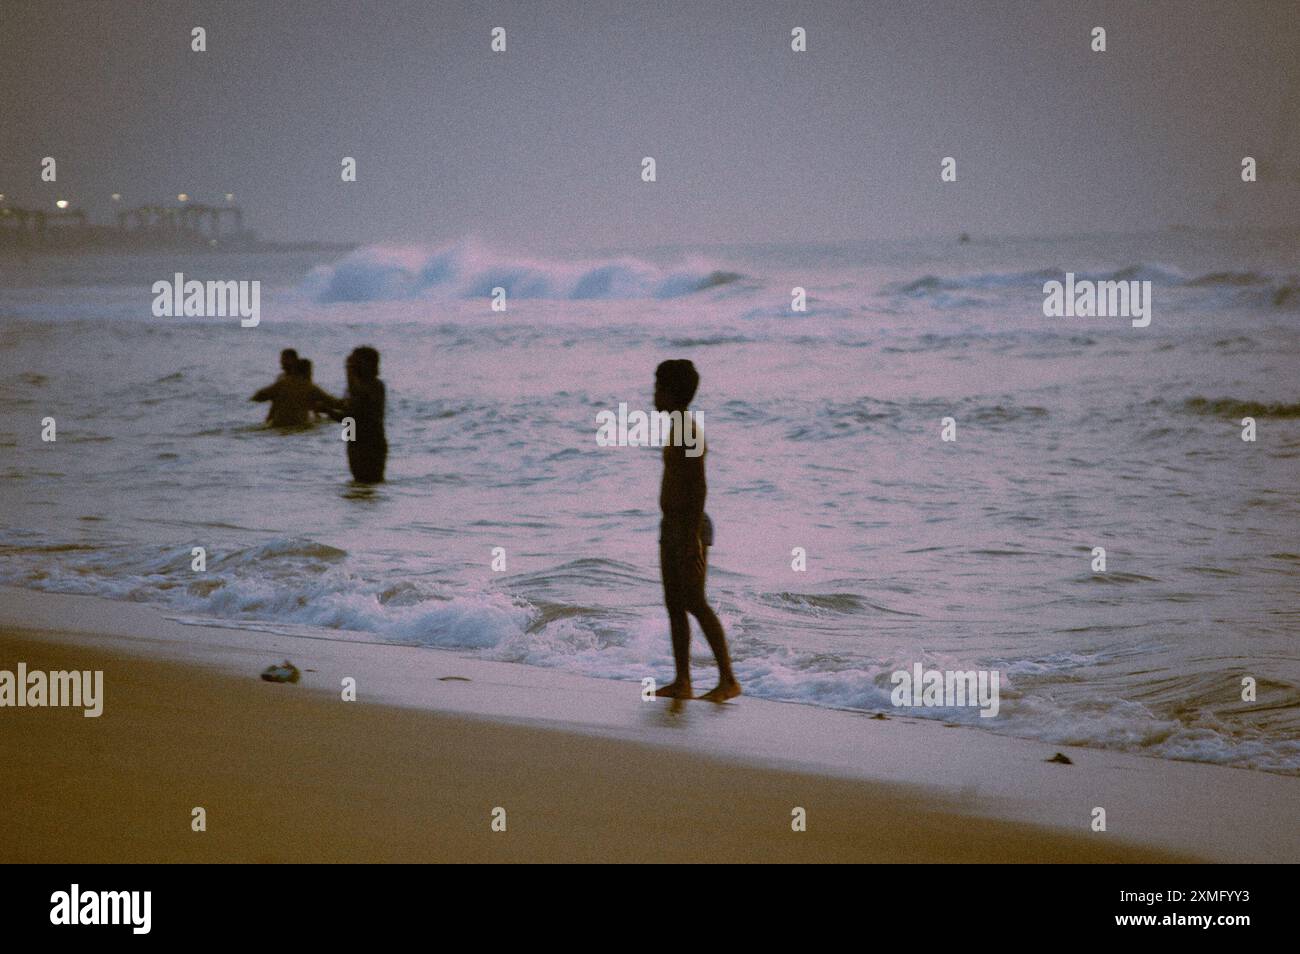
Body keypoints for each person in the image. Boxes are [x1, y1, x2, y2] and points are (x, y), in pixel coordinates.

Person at [652, 359, 740, 702]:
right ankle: (682, 681)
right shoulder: (677, 426)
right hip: (671, 525)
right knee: (674, 603)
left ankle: (728, 680)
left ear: (673, 393)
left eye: (658, 387)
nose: (654, 394)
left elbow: (699, 486)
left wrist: (692, 540)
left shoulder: (688, 429)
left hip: (689, 528)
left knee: (694, 601)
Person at [323, 346, 387, 483]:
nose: (352, 365)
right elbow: (348, 409)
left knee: (365, 484)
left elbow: (350, 417)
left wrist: (327, 411)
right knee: (363, 486)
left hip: (367, 444)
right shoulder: (370, 385)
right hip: (356, 440)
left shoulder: (372, 386)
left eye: (355, 362)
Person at [250, 355, 334, 428]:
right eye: (310, 371)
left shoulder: (282, 382)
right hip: (296, 425)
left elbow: (259, 397)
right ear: (307, 371)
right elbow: (330, 401)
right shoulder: (308, 386)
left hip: (276, 424)